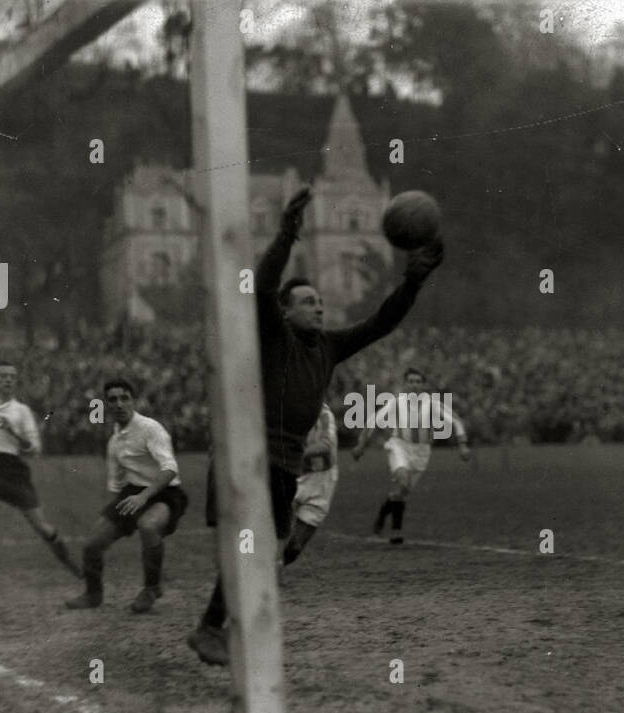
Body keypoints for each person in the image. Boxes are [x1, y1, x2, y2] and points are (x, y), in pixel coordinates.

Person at [188, 187, 444, 666]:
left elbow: (380, 324)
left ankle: (221, 628)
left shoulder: (327, 347)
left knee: (269, 554)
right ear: (286, 312)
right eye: (307, 302)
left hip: (284, 461)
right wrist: (286, 235)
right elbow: (264, 286)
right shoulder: (274, 335)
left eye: (320, 302)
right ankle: (210, 628)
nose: (319, 308)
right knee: (254, 543)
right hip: (247, 452)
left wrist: (412, 283)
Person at [0, 360, 80, 599]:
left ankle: (70, 563)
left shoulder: (22, 412)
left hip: (12, 470)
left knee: (40, 524)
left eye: (12, 376)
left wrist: (13, 433)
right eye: (3, 376)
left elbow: (34, 450)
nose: (8, 380)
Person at [65, 379, 188, 614]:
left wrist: (144, 497)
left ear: (133, 401)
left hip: (165, 493)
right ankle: (93, 594)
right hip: (132, 493)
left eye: (125, 398)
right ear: (106, 405)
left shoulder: (151, 428)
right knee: (92, 543)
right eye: (113, 400)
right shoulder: (114, 441)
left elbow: (170, 469)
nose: (119, 404)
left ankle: (151, 588)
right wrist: (111, 519)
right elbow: (116, 484)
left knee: (148, 525)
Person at [352, 367, 470, 544]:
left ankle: (383, 514)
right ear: (405, 384)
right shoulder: (395, 402)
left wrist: (462, 445)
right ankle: (396, 530)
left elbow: (456, 421)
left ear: (423, 385)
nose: (414, 385)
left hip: (421, 453)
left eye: (418, 382)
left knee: (402, 492)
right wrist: (361, 445)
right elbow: (374, 421)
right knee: (403, 481)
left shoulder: (433, 404)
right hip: (399, 446)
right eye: (411, 381)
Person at [282, 403, 338, 567]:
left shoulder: (323, 414)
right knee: (268, 528)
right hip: (288, 476)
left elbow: (326, 446)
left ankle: (274, 571)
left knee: (294, 548)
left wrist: (294, 454)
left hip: (321, 482)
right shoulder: (279, 408)